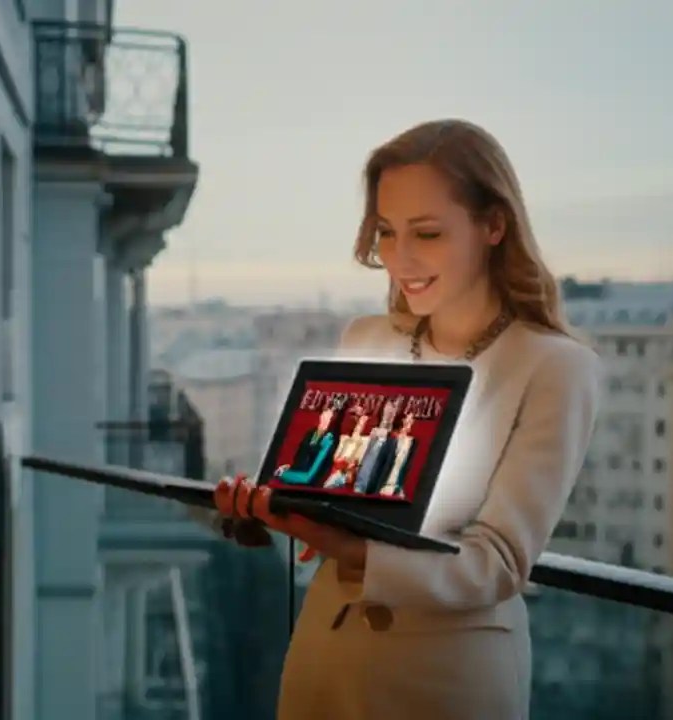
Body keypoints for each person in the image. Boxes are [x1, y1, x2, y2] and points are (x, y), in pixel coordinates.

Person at [213, 119, 602, 720]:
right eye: (387, 233)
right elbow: (337, 493)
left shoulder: (553, 367)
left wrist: (352, 549)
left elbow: (497, 563)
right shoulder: (366, 338)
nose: (400, 259)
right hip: (325, 658)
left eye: (427, 233)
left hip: (445, 681)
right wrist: (275, 505)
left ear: (494, 225)